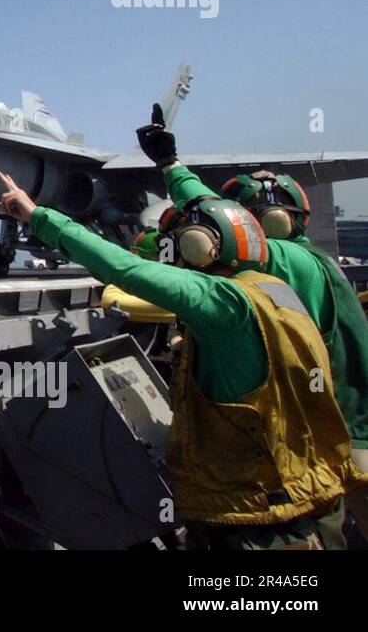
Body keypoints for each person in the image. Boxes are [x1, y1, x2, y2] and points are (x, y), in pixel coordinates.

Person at [0, 167, 356, 549]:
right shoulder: (274, 289)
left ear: (199, 246)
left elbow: (126, 270)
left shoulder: (222, 301)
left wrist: (38, 216)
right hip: (310, 495)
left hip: (261, 520)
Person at [137, 105, 368, 520]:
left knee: (321, 523)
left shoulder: (280, 261)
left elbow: (210, 225)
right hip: (348, 420)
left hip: (338, 432)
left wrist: (159, 235)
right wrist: (170, 164)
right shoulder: (310, 258)